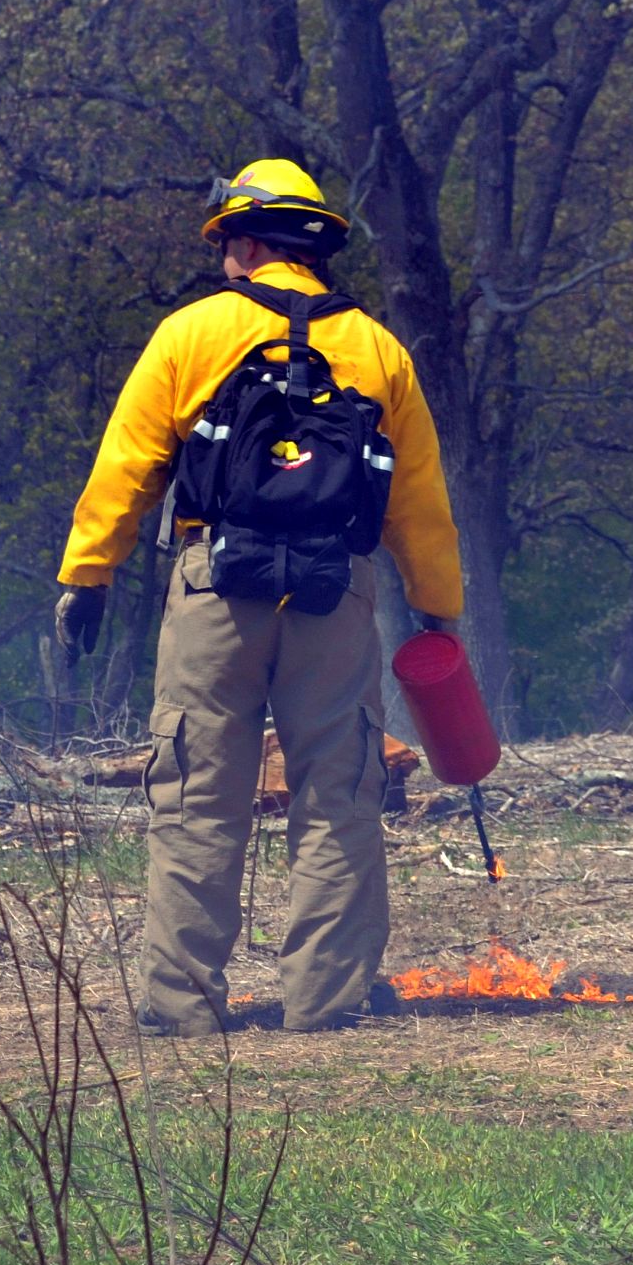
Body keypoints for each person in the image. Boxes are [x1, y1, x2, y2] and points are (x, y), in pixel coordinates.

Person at [54, 158, 464, 1035]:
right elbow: (420, 499)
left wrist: (87, 573)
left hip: (214, 591)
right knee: (337, 794)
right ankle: (325, 1002)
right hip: (334, 597)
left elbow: (127, 466)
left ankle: (181, 1006)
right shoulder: (379, 350)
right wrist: (438, 609)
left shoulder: (190, 334)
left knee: (198, 790)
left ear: (244, 241)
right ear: (311, 244)